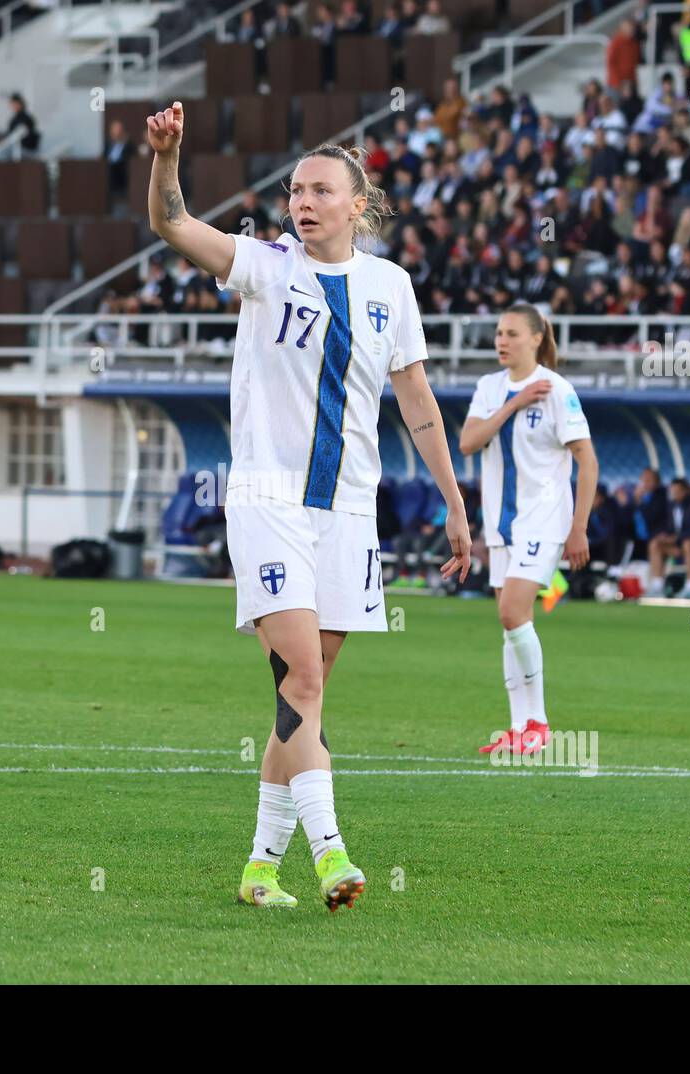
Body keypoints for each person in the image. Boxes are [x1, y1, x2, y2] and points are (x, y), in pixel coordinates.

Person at [145, 101, 470, 911]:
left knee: (300, 694)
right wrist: (167, 156)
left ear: (357, 205)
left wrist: (456, 503)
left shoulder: (390, 287)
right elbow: (174, 223)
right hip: (266, 498)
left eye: (322, 190)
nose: (304, 201)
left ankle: (259, 868)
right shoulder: (265, 265)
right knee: (302, 678)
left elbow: (418, 403)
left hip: (349, 511)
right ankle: (332, 856)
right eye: (296, 189)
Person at [456, 304, 598, 758]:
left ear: (537, 339)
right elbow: (468, 442)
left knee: (511, 612)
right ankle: (519, 727)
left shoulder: (558, 390)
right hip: (502, 524)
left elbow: (587, 461)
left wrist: (579, 528)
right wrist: (514, 404)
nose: (502, 341)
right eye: (499, 333)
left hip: (545, 519)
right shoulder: (489, 388)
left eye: (512, 334)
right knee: (511, 623)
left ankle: (538, 722)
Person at [648, 476, 690, 597]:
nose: (675, 494)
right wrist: (665, 535)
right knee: (655, 544)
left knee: (688, 544)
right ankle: (657, 585)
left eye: (678, 491)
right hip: (679, 543)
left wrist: (676, 538)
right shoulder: (671, 505)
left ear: (686, 490)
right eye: (673, 491)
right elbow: (669, 527)